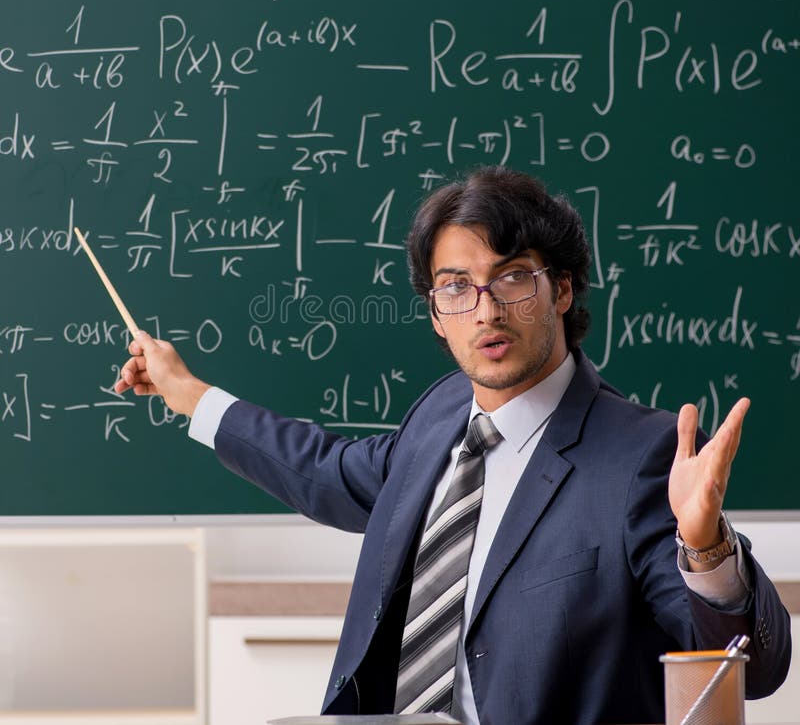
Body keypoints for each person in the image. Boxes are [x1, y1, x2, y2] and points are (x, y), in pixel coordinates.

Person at [115, 167, 790, 725]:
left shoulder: (642, 458)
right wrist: (188, 392)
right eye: (456, 287)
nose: (487, 310)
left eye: (513, 277)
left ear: (561, 289)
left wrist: (705, 547)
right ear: (437, 313)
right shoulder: (439, 415)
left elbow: (751, 669)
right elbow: (324, 470)